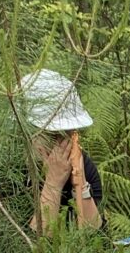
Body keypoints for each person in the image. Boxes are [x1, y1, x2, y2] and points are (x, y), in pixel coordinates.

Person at [17, 67, 104, 232]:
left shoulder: (82, 164)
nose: (62, 143)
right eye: (52, 134)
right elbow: (28, 248)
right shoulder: (3, 171)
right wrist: (53, 183)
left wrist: (81, 184)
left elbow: (97, 239)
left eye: (68, 133)